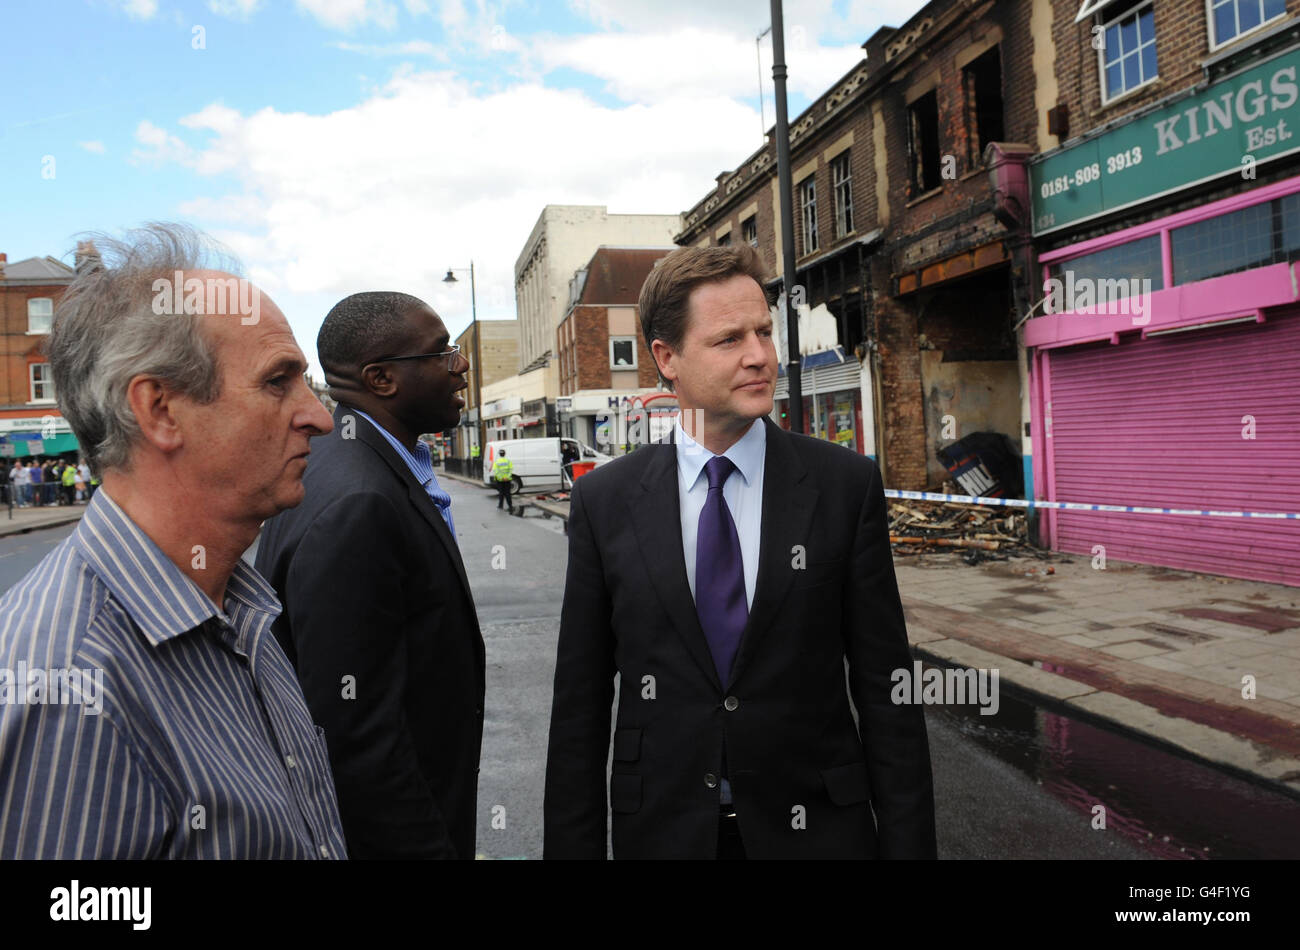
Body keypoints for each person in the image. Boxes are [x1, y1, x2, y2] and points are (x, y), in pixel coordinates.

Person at [544, 245, 937, 860]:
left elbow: (887, 690)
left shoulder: (843, 485)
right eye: (729, 339)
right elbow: (580, 706)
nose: (760, 355)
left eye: (763, 331)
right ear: (666, 359)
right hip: (664, 834)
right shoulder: (606, 501)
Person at [0, 223, 346, 858]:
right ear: (159, 410)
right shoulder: (69, 686)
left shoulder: (236, 603)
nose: (318, 416)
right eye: (278, 381)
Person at [255, 292, 485, 860]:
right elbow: (357, 738)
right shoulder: (361, 501)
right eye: (441, 352)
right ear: (381, 379)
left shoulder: (337, 463)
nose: (460, 366)